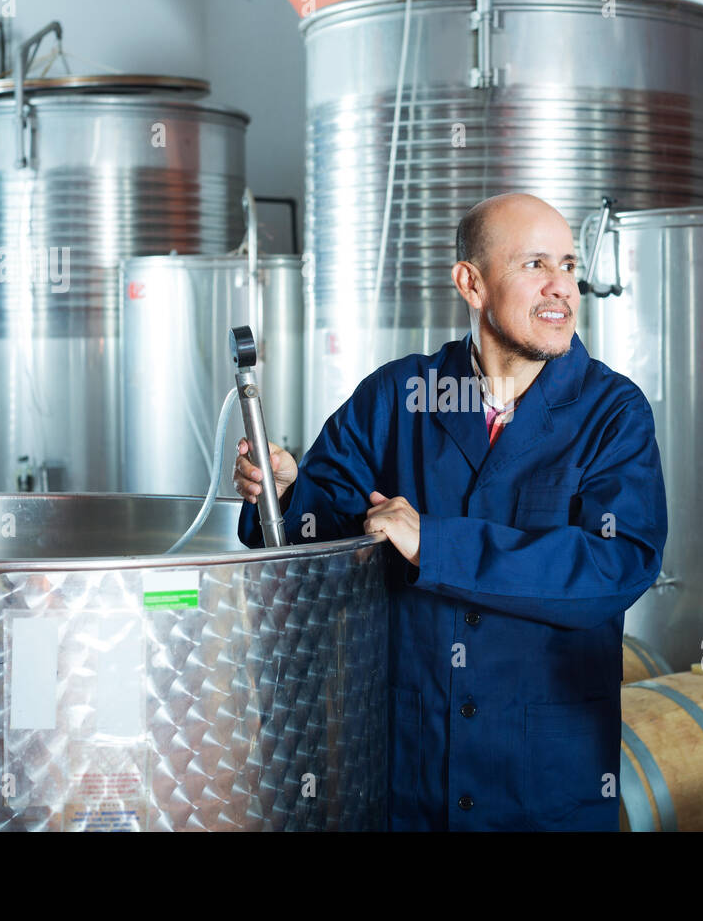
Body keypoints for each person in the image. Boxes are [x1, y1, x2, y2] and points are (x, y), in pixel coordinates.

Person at [235, 192, 667, 830]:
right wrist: (286, 489)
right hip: (406, 773)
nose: (562, 289)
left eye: (570, 266)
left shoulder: (612, 412)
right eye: (535, 265)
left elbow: (616, 567)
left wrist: (435, 544)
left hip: (543, 784)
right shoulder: (398, 395)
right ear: (471, 282)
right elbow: (316, 539)